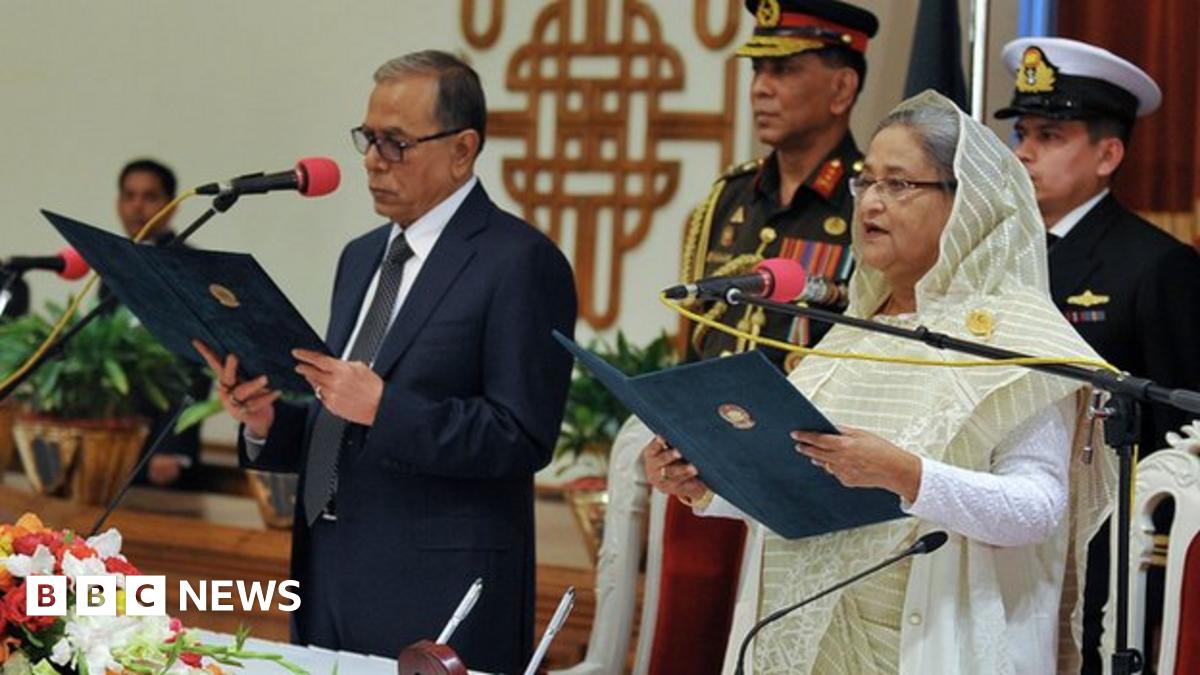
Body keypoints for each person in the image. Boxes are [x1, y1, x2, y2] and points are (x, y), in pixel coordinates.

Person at [645, 91, 1116, 674]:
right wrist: (703, 485)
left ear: (966, 203)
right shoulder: (848, 334)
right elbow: (796, 484)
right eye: (866, 182)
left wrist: (907, 475)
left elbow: (1039, 508)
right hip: (809, 635)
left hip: (936, 642)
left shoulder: (1019, 336)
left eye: (899, 184)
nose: (871, 201)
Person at [194, 50, 576, 673]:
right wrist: (267, 422)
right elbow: (341, 417)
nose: (373, 160)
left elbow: (522, 436)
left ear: (462, 149)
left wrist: (384, 407)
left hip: (439, 587)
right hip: (327, 566)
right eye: (368, 138)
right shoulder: (361, 257)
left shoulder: (519, 262)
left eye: (396, 143)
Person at [627, 2, 880, 670]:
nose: (761, 86)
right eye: (757, 69)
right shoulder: (728, 198)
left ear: (841, 87)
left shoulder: (868, 208)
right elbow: (696, 344)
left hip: (805, 484)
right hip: (708, 475)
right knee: (688, 650)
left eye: (784, 69)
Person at [994, 37, 1200, 672]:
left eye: (1050, 135)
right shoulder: (995, 258)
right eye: (1022, 132)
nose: (1024, 151)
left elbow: (1179, 438)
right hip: (999, 531)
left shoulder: (1156, 266)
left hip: (1104, 553)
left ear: (1109, 153)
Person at [102, 159, 210, 487]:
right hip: (114, 436)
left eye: (149, 197)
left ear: (171, 205)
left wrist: (173, 446)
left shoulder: (190, 266)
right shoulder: (112, 266)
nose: (137, 207)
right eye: (129, 196)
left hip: (164, 445)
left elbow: (200, 363)